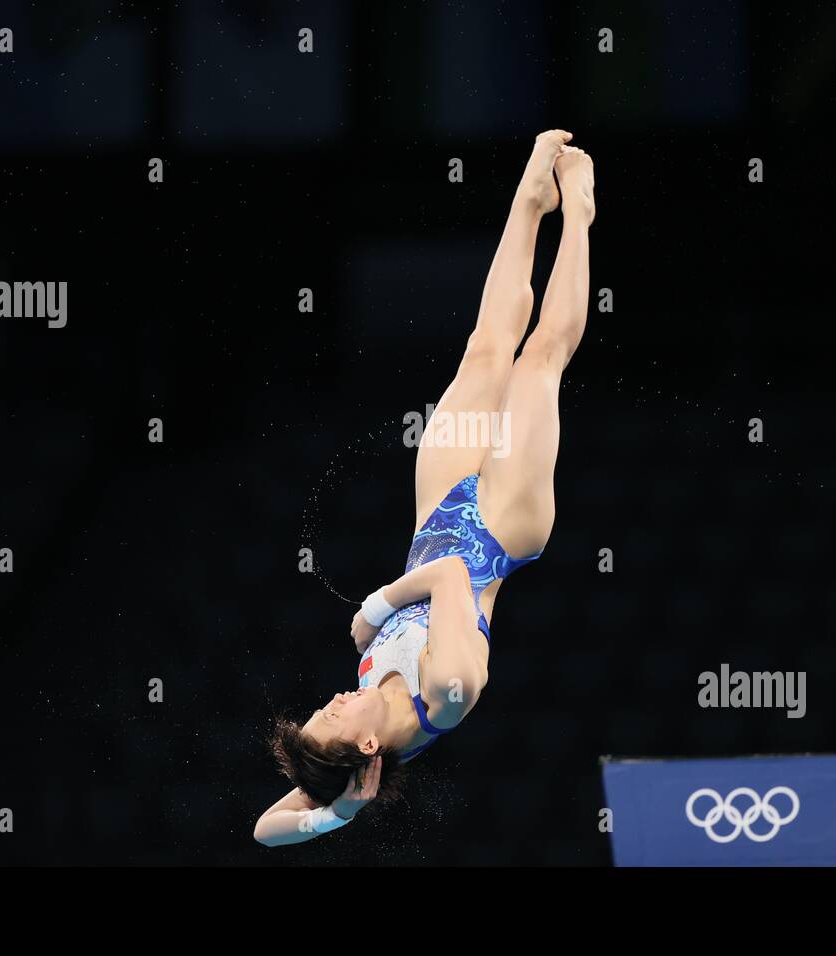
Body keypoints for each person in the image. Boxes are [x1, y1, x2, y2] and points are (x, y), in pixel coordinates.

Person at [254, 130, 595, 846]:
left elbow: (264, 831)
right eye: (334, 714)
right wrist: (377, 603)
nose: (337, 697)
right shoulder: (448, 693)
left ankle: (530, 200)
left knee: (484, 346)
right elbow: (444, 580)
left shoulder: (355, 742)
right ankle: (582, 216)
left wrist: (343, 809)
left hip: (435, 515)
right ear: (369, 749)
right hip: (501, 533)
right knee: (538, 361)